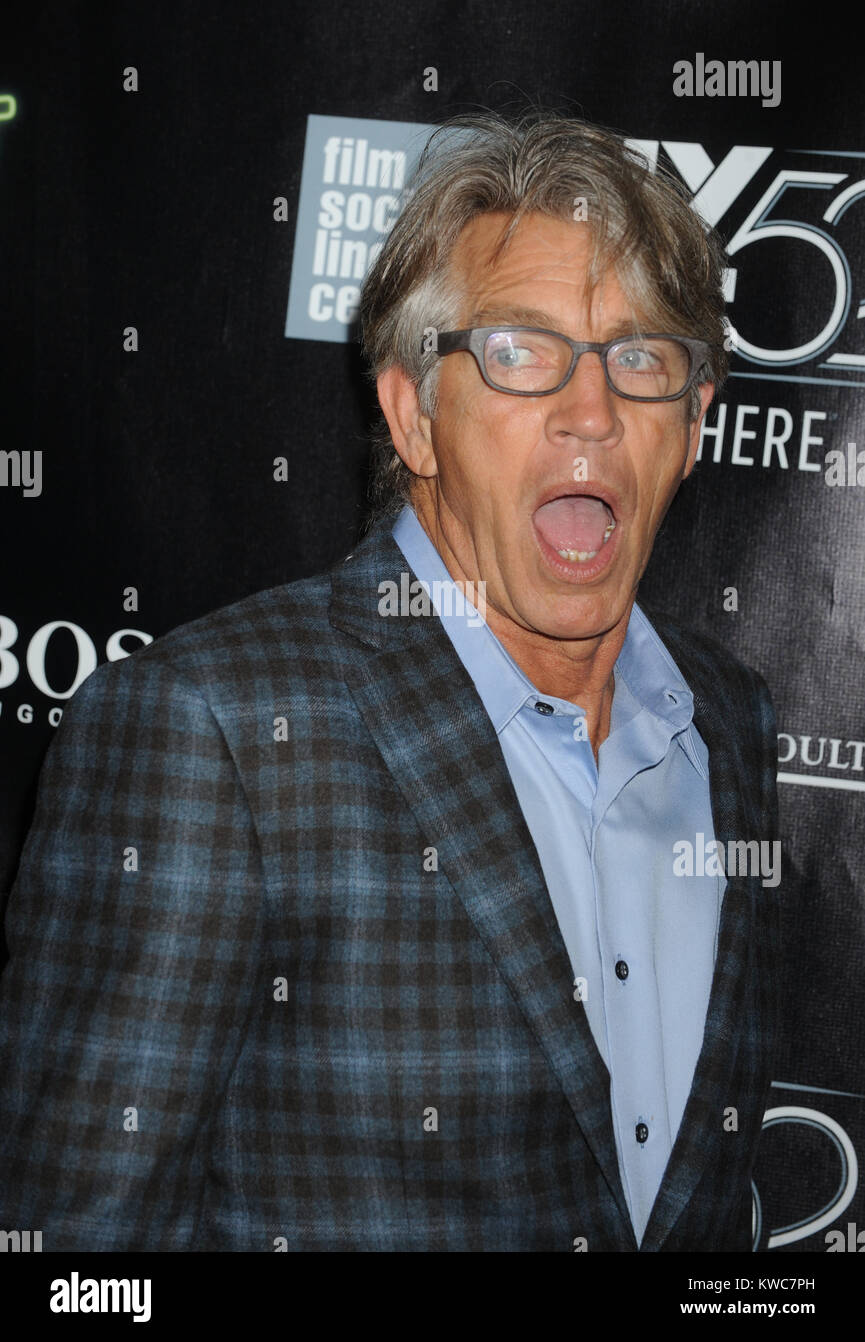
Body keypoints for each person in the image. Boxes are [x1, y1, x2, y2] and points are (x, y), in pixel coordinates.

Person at [0, 110, 782, 1252]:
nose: (591, 413)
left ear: (696, 417)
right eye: (518, 352)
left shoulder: (732, 726)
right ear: (415, 414)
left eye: (643, 358)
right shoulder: (209, 729)